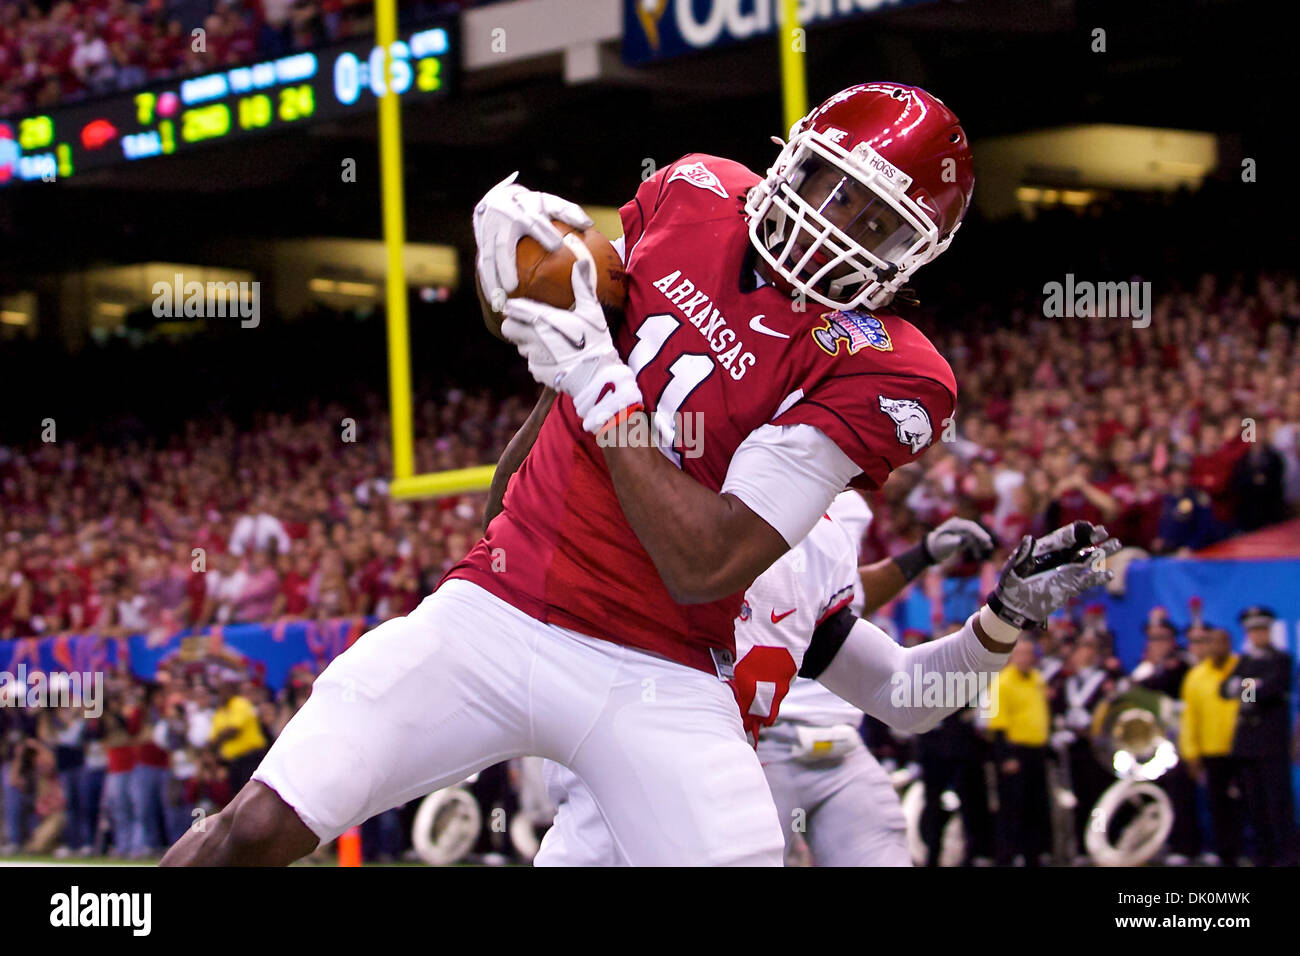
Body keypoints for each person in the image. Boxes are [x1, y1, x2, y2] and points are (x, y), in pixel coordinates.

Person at [160, 82, 1078, 867]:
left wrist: (599, 382)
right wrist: (533, 319)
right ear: (791, 158)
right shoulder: (696, 189)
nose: (834, 222)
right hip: (501, 606)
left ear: (913, 253)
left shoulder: (890, 372)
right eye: (830, 186)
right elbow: (567, 371)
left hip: (662, 668)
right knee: (254, 828)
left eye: (875, 219)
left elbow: (705, 564)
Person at [534, 512, 1114, 865]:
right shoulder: (651, 488)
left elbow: (906, 694)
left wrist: (1004, 614)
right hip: (622, 813)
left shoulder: (814, 542)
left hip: (733, 807)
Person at [1221, 606, 1295, 866]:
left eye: (1261, 630)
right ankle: (1261, 854)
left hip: (1271, 744)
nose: (1257, 635)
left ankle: (1285, 855)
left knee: (1277, 802)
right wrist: (1250, 687)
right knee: (1254, 803)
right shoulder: (1245, 661)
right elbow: (1224, 689)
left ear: (1269, 631)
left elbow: (1270, 689)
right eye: (1252, 631)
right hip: (1246, 745)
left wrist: (1245, 688)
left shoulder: (1281, 659)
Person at [987, 638, 1053, 866]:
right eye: (1021, 653)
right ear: (1012, 656)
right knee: (1013, 808)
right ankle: (1006, 857)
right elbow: (998, 725)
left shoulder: (1038, 679)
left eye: (1029, 653)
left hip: (1037, 750)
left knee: (1037, 806)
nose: (1026, 658)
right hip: (1015, 751)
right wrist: (1006, 756)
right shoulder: (1001, 683)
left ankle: (1033, 855)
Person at [1179, 627, 1241, 865]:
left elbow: (1251, 706)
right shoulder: (1195, 677)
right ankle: (1226, 854)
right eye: (1212, 642)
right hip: (1212, 751)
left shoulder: (1244, 669)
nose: (1217, 647)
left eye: (1222, 642)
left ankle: (1254, 851)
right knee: (1219, 805)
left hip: (1242, 750)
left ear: (1230, 643)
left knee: (1249, 803)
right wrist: (1191, 753)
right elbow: (1189, 718)